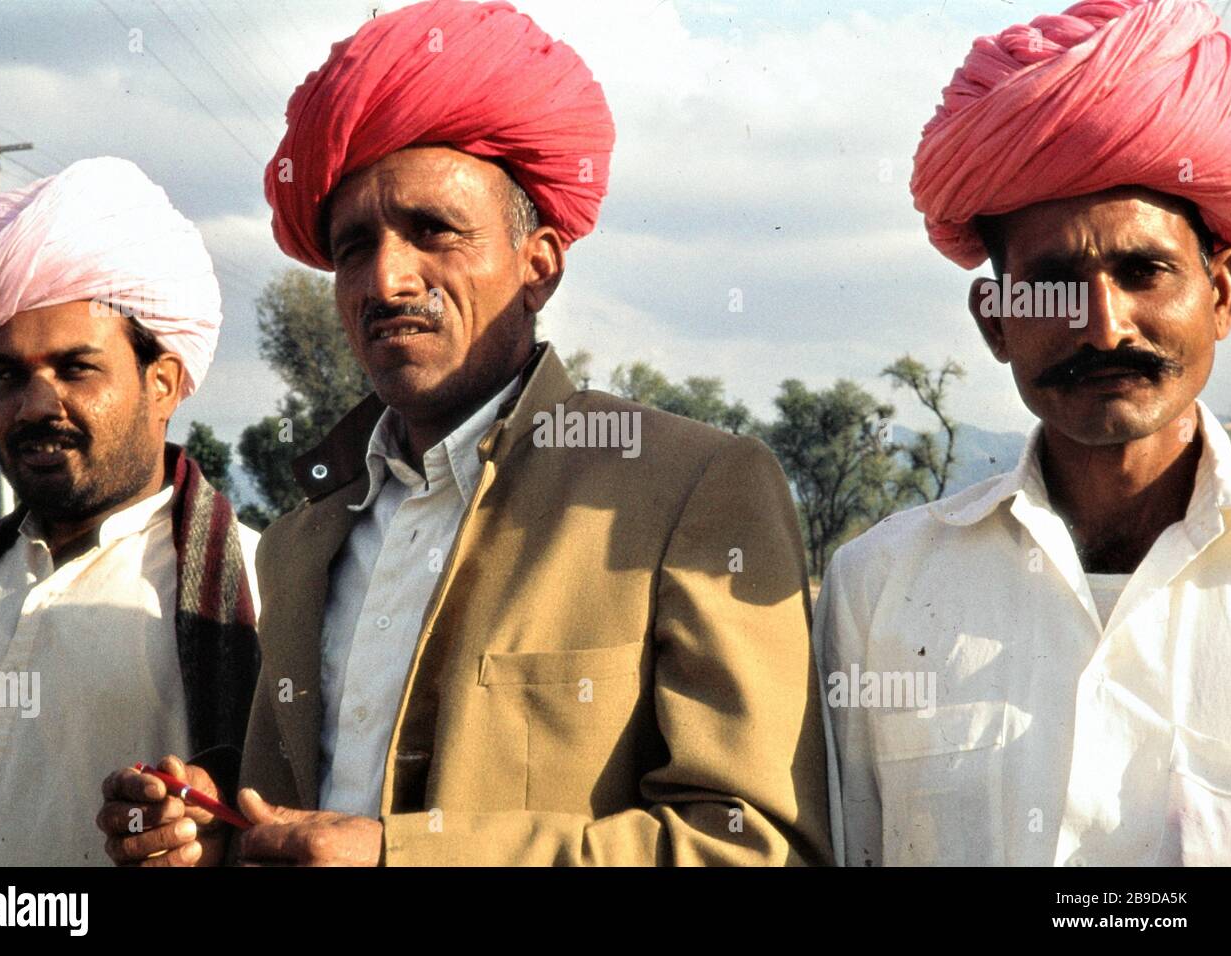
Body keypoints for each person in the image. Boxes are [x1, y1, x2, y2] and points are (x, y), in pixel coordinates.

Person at [99, 0, 830, 866]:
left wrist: (395, 857)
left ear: (539, 266)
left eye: (433, 231)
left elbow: (753, 846)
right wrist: (216, 822)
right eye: (352, 248)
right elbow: (315, 812)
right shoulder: (301, 542)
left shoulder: (690, 491)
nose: (387, 279)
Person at [817, 0, 1231, 866]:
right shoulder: (879, 589)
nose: (1104, 326)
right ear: (996, 322)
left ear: (1223, 296)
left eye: (1143, 271)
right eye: (1051, 282)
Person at [0, 156, 260, 866]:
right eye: (8, 375)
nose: (34, 408)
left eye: (76, 369)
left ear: (164, 383)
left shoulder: (263, 589)